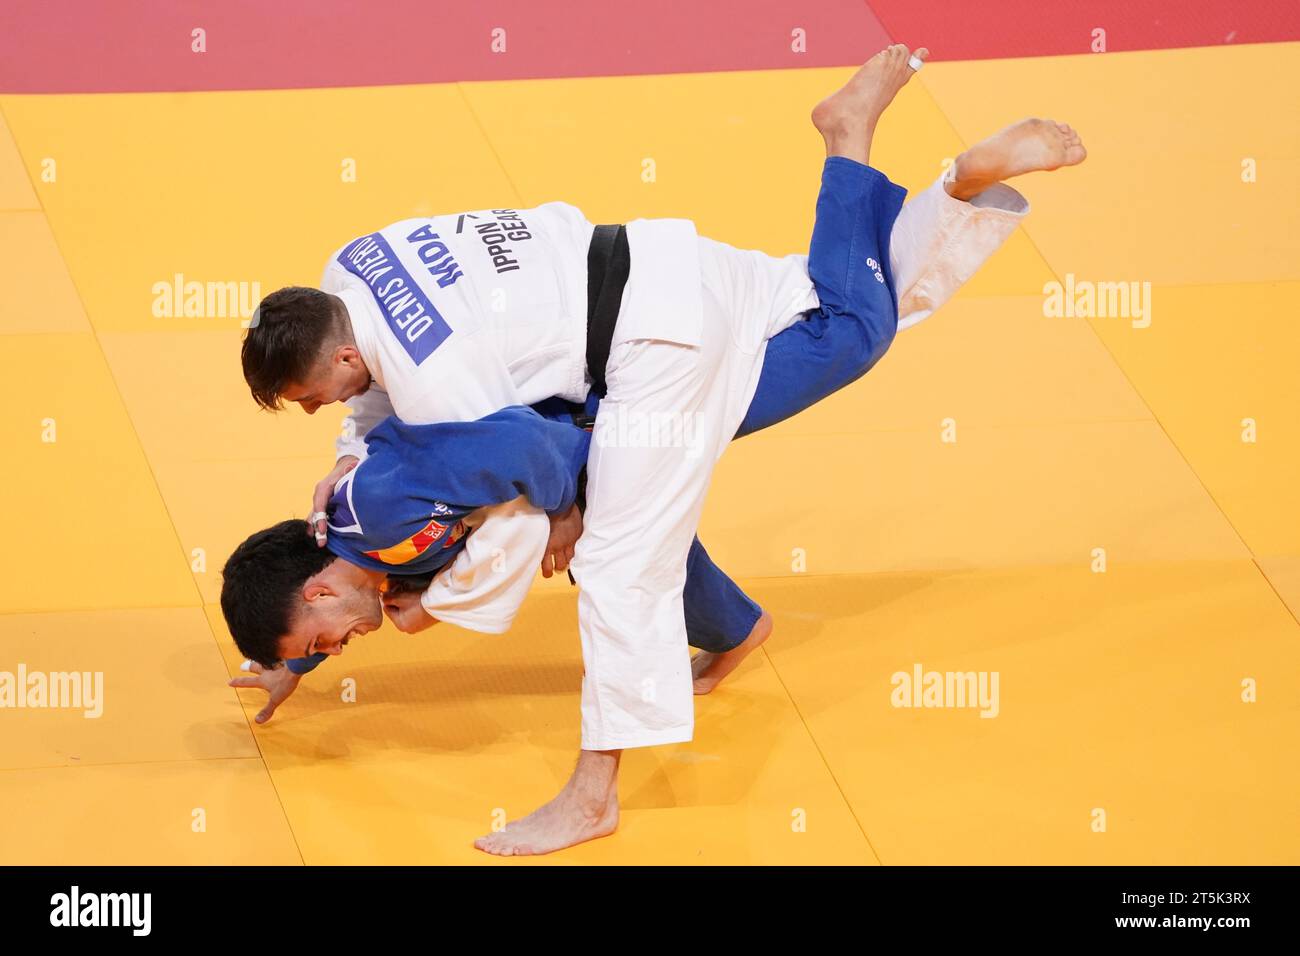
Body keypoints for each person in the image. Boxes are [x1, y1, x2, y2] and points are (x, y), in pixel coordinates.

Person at [232, 42, 1086, 855]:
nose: (318, 412)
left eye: (311, 396)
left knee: (616, 557)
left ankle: (593, 796)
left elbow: (526, 464)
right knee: (841, 328)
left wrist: (519, 544)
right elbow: (381, 421)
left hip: (652, 355)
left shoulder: (429, 394)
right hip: (659, 264)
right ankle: (885, 161)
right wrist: (287, 650)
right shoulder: (347, 277)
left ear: (341, 357)